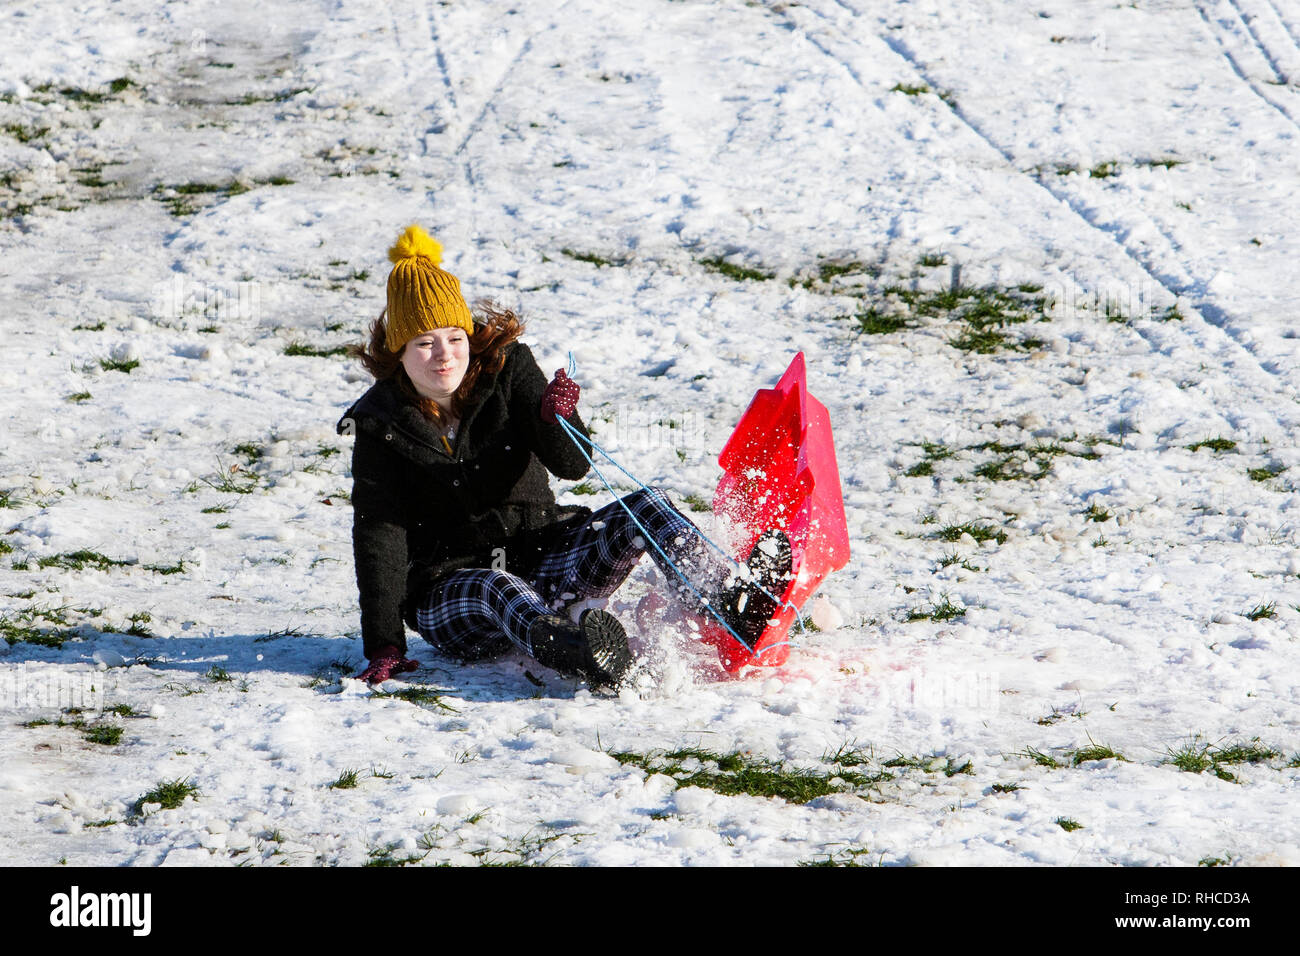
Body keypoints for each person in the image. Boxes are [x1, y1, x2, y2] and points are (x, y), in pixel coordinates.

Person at [338, 225, 791, 690]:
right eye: (424, 343)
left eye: (455, 337)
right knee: (499, 586)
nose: (444, 355)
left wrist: (561, 417)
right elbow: (379, 534)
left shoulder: (509, 369)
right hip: (452, 593)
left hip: (544, 554)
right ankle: (583, 652)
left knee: (648, 506)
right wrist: (384, 645)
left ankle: (728, 597)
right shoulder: (380, 425)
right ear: (400, 351)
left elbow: (572, 465)